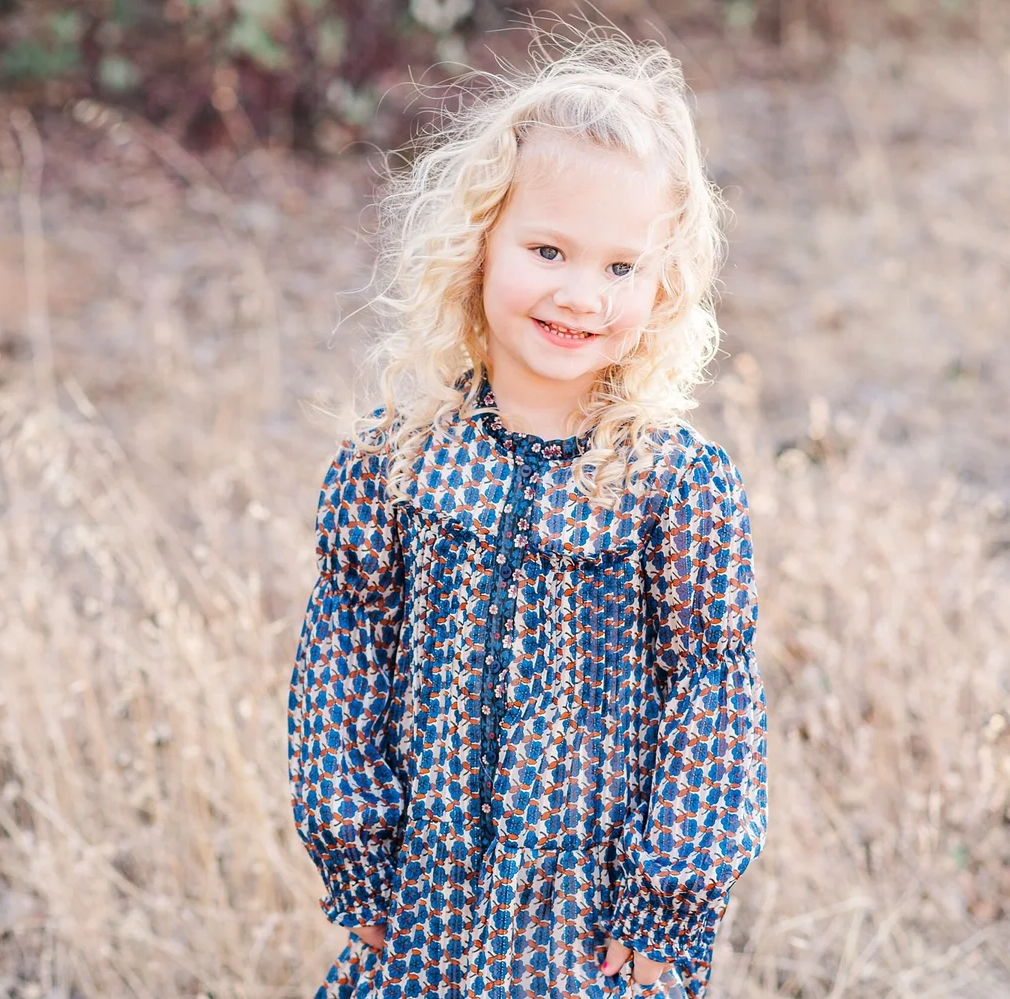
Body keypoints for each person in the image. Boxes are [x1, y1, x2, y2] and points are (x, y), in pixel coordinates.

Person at [286, 29, 767, 999]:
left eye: (622, 268)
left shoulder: (674, 487)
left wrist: (668, 907)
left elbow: (713, 703)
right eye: (548, 249)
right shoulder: (398, 464)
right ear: (479, 245)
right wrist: (357, 853)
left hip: (588, 941)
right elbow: (341, 663)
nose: (581, 295)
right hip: (422, 926)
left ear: (664, 282)